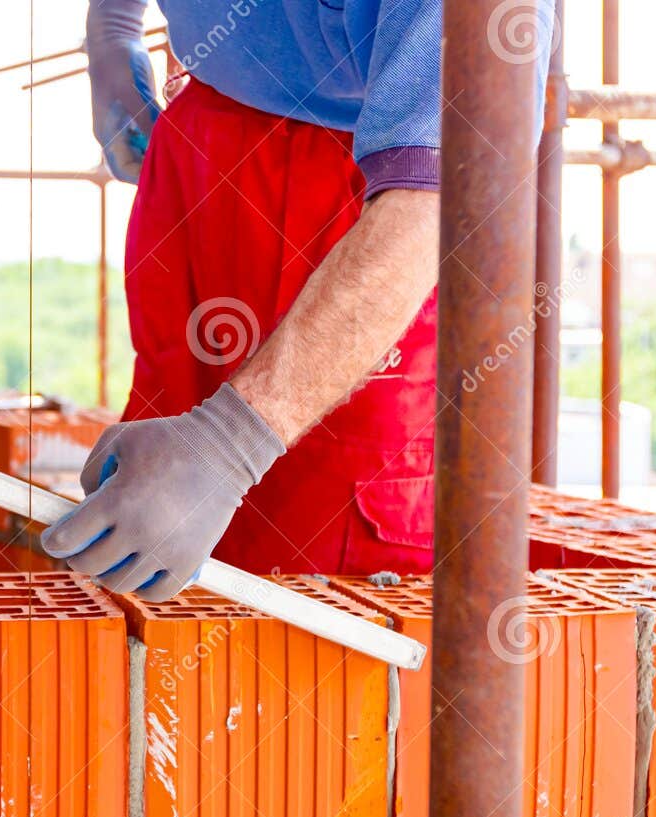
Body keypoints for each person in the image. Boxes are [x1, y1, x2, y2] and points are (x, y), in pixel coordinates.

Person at [41, 0, 553, 601]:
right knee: (153, 500)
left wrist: (232, 441)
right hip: (203, 141)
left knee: (325, 552)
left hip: (371, 189)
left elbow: (431, 202)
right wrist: (113, 26)